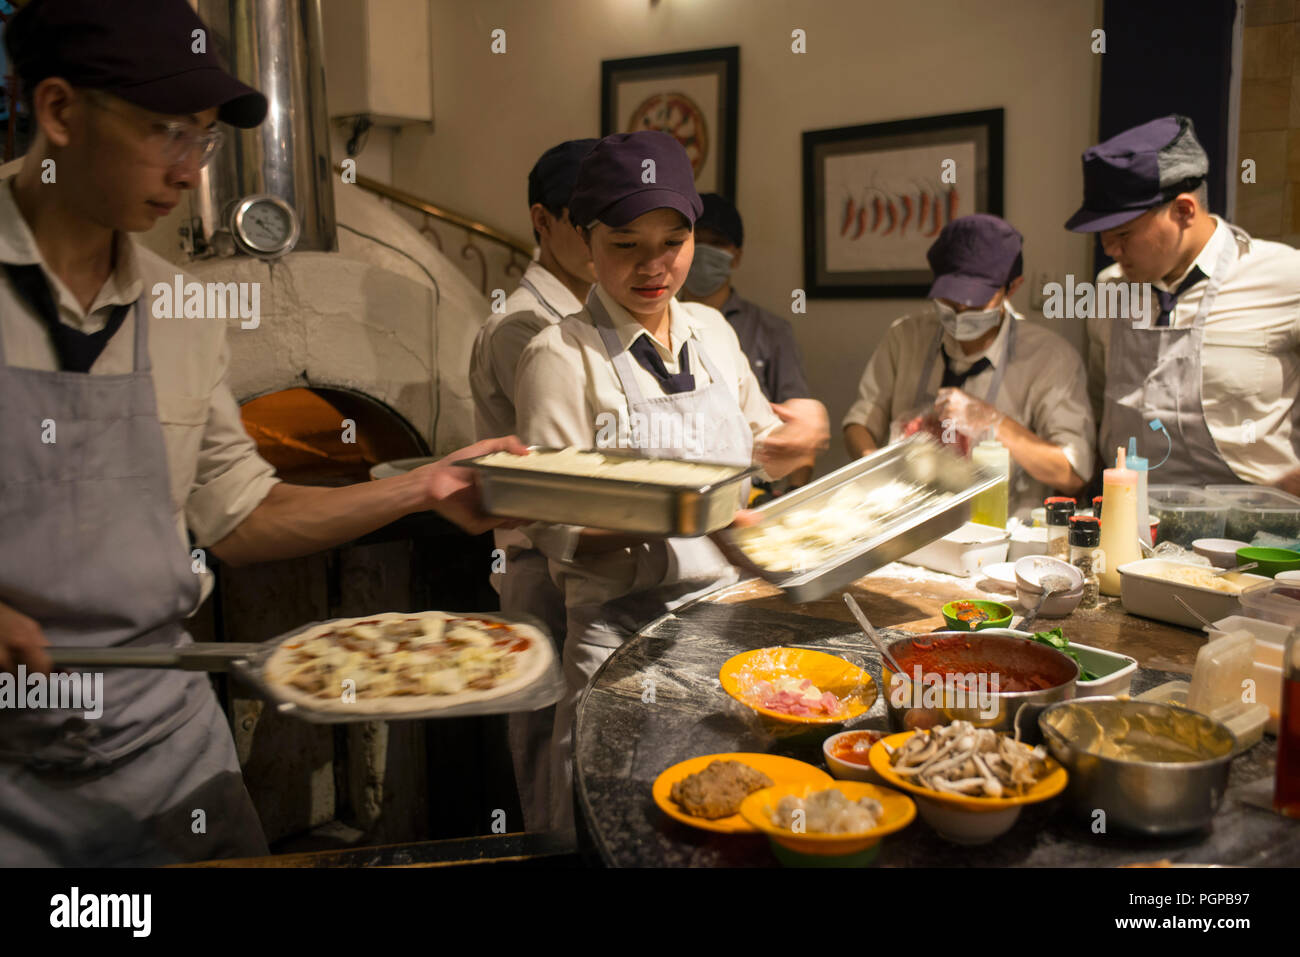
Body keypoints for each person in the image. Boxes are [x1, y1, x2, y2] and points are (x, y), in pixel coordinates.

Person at [0, 0, 524, 866]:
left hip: (166, 747)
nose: (189, 169)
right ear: (58, 111)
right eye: (169, 132)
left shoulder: (181, 307)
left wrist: (425, 485)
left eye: (204, 140)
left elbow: (239, 516)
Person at [512, 131, 829, 830]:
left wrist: (800, 434)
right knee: (620, 830)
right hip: (619, 645)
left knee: (719, 823)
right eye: (626, 244)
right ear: (585, 240)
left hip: (724, 627)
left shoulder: (713, 331)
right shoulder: (558, 357)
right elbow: (560, 529)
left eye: (673, 240)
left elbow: (755, 451)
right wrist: (683, 511)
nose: (654, 266)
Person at [469, 138, 596, 831]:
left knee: (581, 757)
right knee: (554, 770)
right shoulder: (525, 327)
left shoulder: (589, 316)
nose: (605, 236)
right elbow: (583, 467)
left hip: (586, 562)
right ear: (542, 222)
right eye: (590, 220)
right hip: (542, 568)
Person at [1068, 115, 1300, 494]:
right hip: (1135, 520)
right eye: (1103, 238)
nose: (1110, 250)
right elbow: (1099, 399)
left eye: (1123, 234)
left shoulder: (1285, 279)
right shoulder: (1110, 288)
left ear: (1184, 211)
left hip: (1258, 531)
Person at [843, 214, 1095, 518]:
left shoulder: (1050, 359)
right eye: (949, 299)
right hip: (907, 519)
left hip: (1004, 533)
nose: (960, 310)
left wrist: (992, 421)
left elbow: (1071, 474)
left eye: (976, 302)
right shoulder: (906, 337)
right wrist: (877, 470)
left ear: (1012, 287)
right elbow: (860, 422)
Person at [679, 193, 814, 493]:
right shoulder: (656, 324)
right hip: (681, 489)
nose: (704, 251)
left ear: (736, 255)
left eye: (715, 243)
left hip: (753, 488)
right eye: (695, 240)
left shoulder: (771, 331)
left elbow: (796, 422)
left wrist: (791, 491)